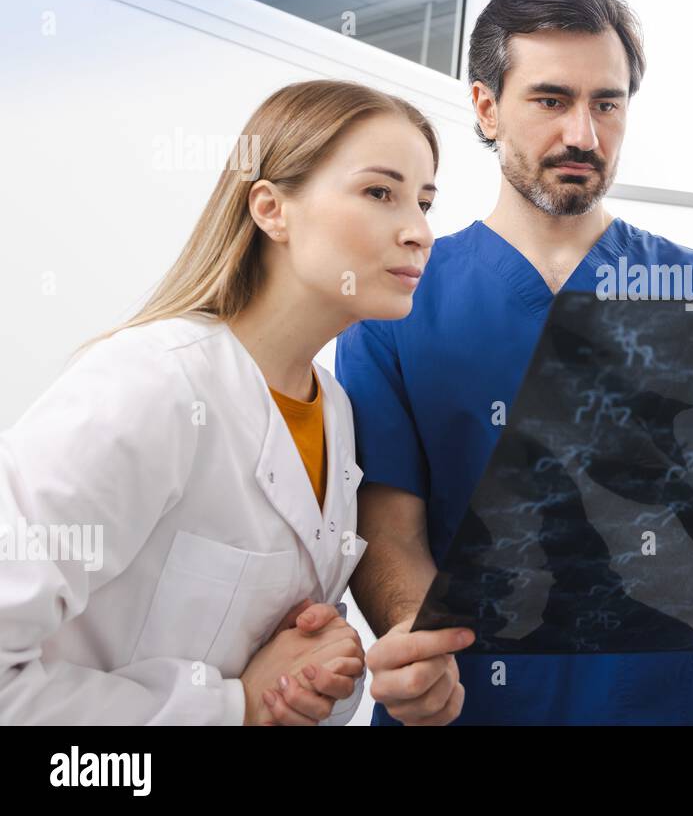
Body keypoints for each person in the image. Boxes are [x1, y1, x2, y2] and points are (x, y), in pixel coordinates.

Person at [338, 0, 693, 725]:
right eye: (551, 100)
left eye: (607, 104)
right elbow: (389, 522)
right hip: (464, 706)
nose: (583, 134)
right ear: (487, 108)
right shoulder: (398, 298)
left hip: (655, 704)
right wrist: (416, 638)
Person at [0, 79, 440, 724]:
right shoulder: (150, 383)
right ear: (271, 209)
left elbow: (279, 664)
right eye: (380, 192)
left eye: (425, 202)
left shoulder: (335, 412)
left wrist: (326, 662)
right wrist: (231, 706)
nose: (419, 231)